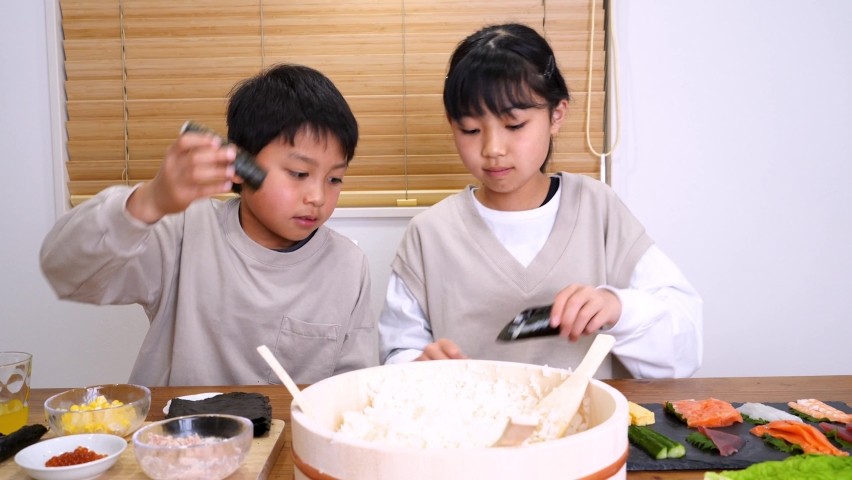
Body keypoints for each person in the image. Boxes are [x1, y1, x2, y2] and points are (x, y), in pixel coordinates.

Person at [378, 24, 702, 379]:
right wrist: (416, 367)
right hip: (466, 415)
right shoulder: (429, 233)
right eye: (470, 130)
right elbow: (397, 354)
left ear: (556, 115)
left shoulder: (598, 209)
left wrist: (617, 307)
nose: (492, 149)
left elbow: (684, 346)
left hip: (583, 413)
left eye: (515, 125)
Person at [41, 64, 376, 386]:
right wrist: (150, 201)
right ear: (240, 164)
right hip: (175, 424)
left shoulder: (347, 265)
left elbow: (354, 386)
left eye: (335, 178)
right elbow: (64, 271)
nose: (317, 196)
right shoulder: (183, 231)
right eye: (299, 173)